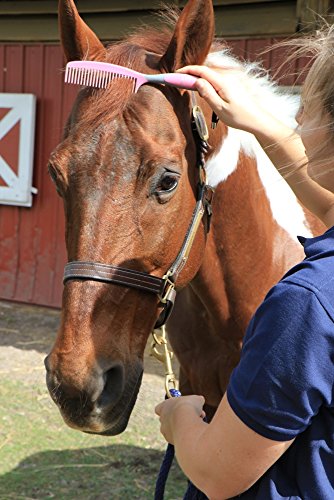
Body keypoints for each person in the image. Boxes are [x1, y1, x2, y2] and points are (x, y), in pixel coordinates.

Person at [155, 26, 334, 500]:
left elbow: (217, 474)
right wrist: (256, 120)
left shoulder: (308, 303)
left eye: (307, 107)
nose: (294, 118)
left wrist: (180, 422)